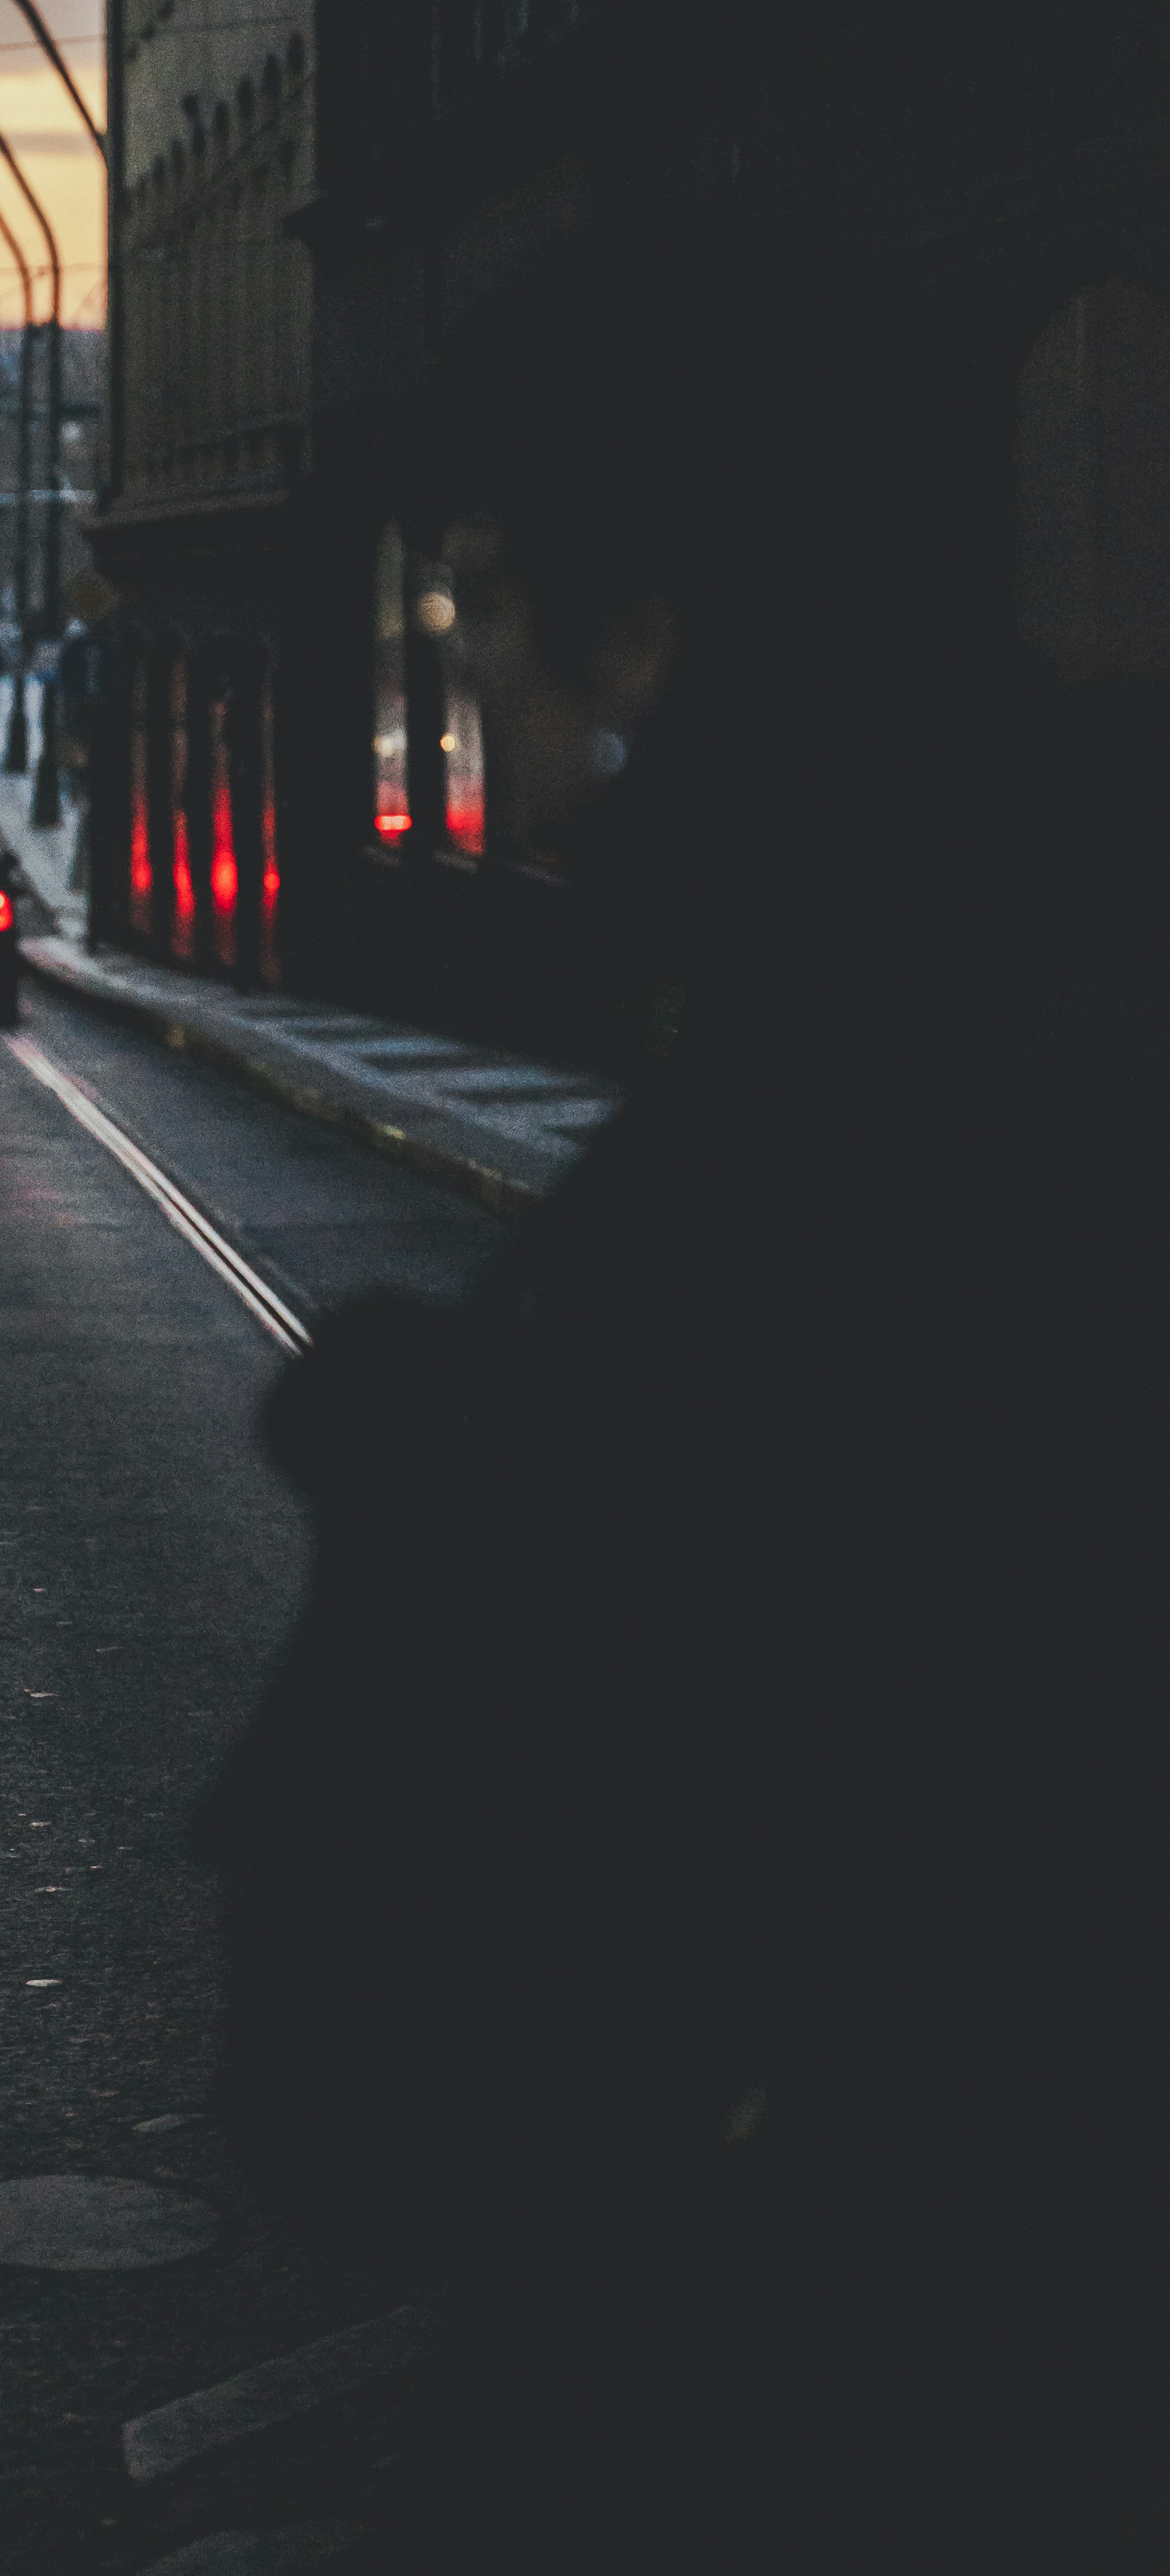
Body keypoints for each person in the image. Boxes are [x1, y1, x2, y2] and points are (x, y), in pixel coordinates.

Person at [203, 238, 1159, 2562]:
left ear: (650, 630)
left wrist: (427, 1476)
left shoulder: (841, 1117)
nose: (466, 678)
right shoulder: (963, 997)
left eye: (489, 600)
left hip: (833, 2397)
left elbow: (439, 2027)